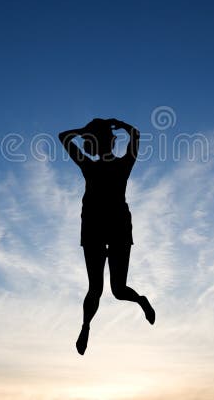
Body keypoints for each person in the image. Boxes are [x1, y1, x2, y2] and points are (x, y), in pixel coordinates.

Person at [59, 118, 155, 355]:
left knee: (118, 289)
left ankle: (141, 301)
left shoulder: (120, 165)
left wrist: (87, 129)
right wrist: (114, 125)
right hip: (93, 227)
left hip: (118, 227)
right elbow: (63, 138)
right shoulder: (90, 165)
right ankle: (85, 326)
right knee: (95, 288)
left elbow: (64, 137)